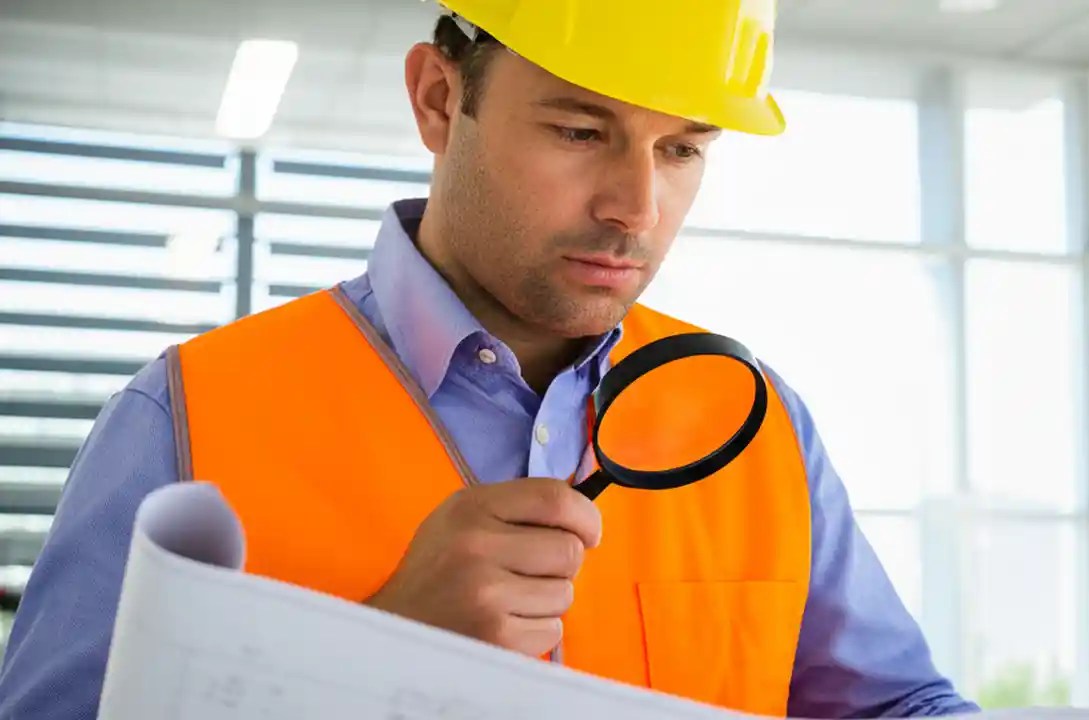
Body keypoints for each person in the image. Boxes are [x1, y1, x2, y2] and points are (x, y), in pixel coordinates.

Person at [0, 1, 980, 717]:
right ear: (438, 99)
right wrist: (369, 658)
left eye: (682, 150)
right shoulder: (185, 414)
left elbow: (893, 705)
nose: (635, 208)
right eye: (580, 130)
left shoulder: (756, 423)